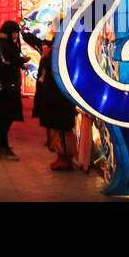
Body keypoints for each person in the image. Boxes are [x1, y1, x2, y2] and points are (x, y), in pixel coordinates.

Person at [33, 36, 78, 170]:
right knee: (57, 130)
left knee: (62, 131)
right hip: (55, 99)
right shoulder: (59, 55)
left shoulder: (58, 56)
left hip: (58, 100)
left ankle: (65, 159)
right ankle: (61, 157)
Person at [0, 20, 25, 158]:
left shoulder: (3, 43)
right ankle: (2, 146)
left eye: (16, 33)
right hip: (2, 86)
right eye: (14, 32)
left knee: (4, 117)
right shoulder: (0, 44)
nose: (15, 35)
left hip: (5, 85)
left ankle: (2, 144)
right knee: (6, 116)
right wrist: (20, 61)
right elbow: (4, 63)